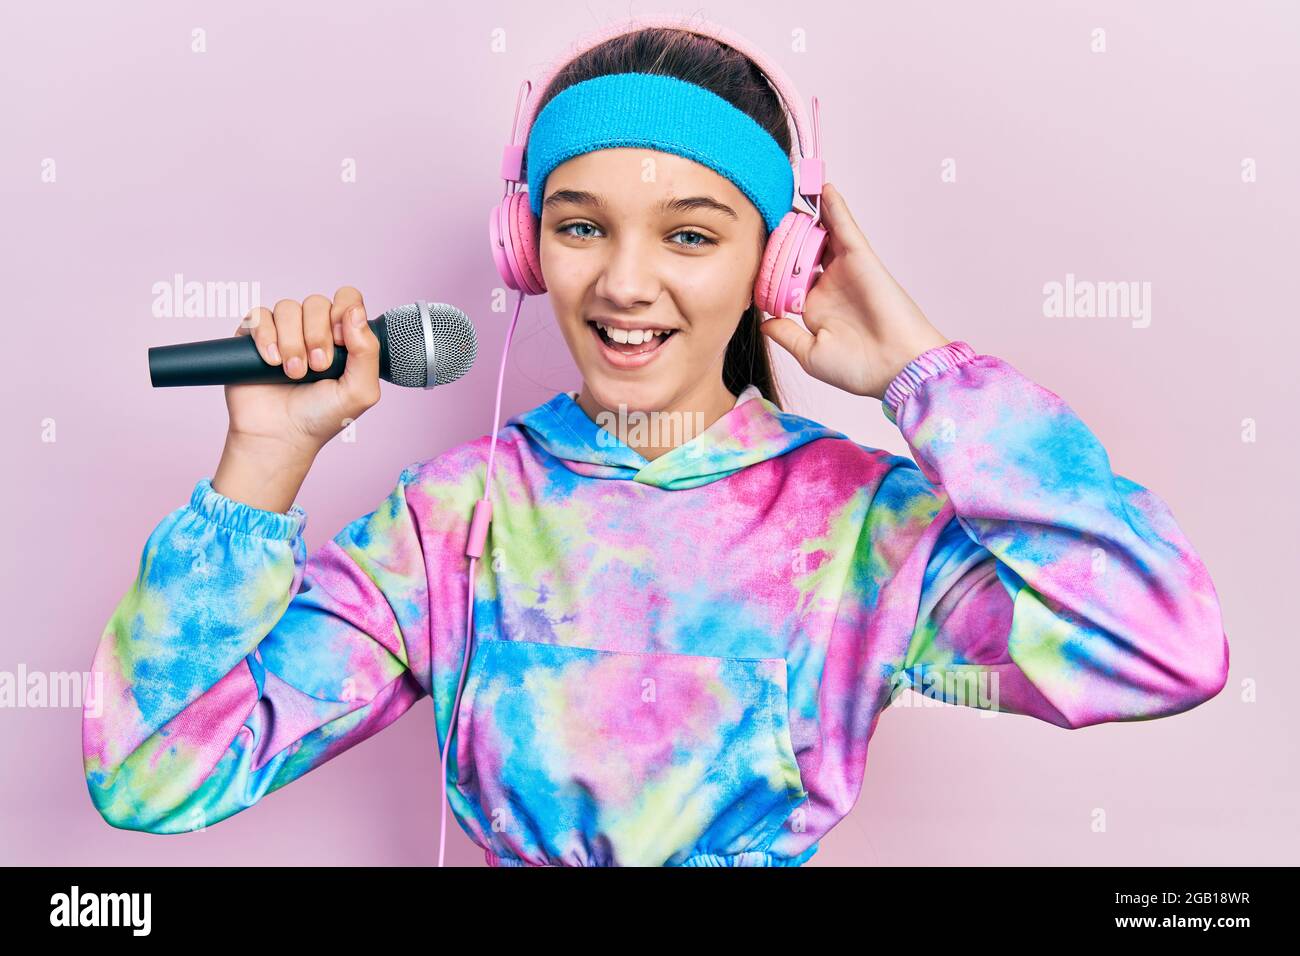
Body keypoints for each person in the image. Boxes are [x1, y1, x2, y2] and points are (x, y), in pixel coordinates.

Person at [82, 24, 1229, 868]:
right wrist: (264, 464)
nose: (624, 282)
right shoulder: (451, 517)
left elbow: (1161, 648)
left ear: (775, 266)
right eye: (580, 226)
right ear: (525, 246)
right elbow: (152, 778)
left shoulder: (861, 526)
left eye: (690, 233)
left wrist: (923, 374)